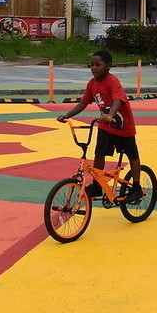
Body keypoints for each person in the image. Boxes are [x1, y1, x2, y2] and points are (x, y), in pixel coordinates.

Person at [57, 50, 143, 204]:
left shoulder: (112, 81)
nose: (94, 68)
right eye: (92, 65)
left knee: (133, 156)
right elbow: (84, 102)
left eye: (98, 65)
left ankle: (136, 187)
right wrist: (67, 116)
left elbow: (118, 99)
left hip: (124, 128)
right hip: (106, 126)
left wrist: (111, 114)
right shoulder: (92, 84)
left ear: (109, 66)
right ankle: (97, 185)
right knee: (99, 154)